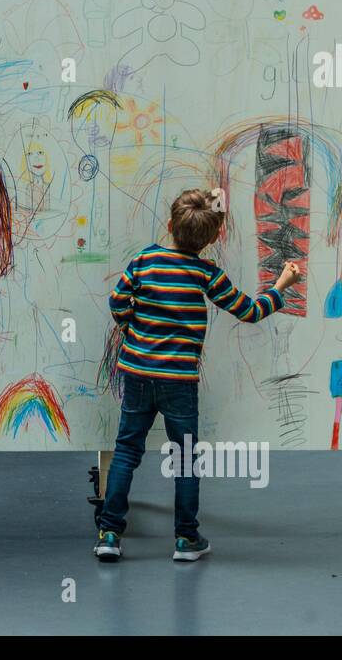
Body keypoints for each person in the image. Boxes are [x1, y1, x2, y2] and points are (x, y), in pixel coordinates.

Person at [96, 187, 301, 563]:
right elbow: (250, 312)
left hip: (138, 373)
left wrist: (131, 329)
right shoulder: (206, 273)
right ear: (214, 237)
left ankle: (110, 533)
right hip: (179, 382)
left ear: (170, 224)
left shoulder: (146, 260)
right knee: (186, 458)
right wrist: (280, 287)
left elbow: (117, 301)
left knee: (126, 451)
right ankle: (186, 539)